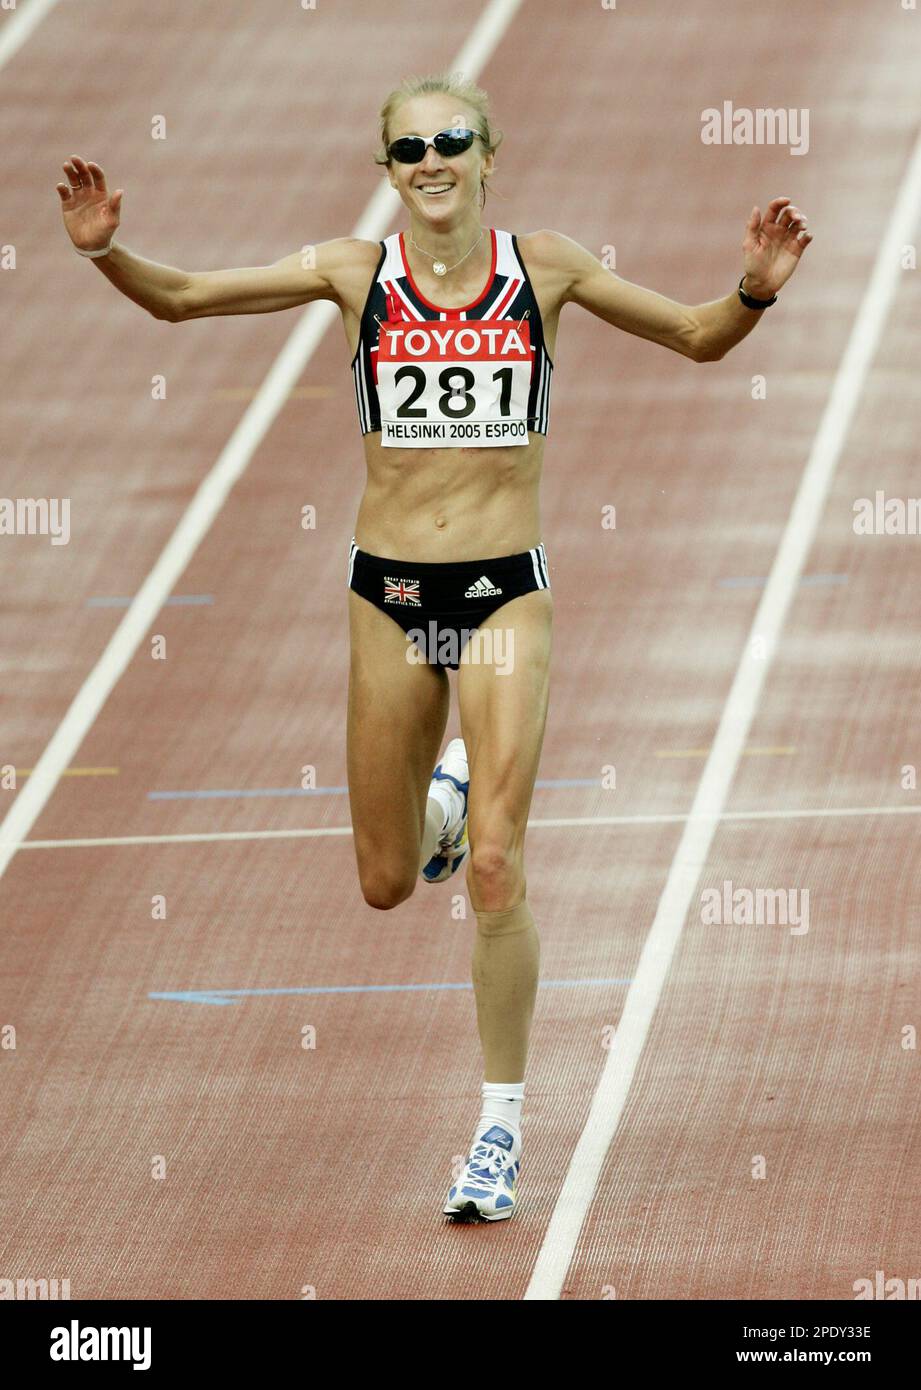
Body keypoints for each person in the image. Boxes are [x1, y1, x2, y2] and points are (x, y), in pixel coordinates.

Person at [56, 70, 812, 1224]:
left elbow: (700, 338)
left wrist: (750, 292)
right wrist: (109, 253)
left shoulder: (544, 267)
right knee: (383, 880)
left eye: (451, 140)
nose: (432, 162)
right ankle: (440, 817)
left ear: (489, 154)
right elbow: (187, 300)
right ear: (388, 169)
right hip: (387, 594)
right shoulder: (351, 275)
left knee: (502, 867)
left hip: (505, 591)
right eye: (410, 149)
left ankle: (498, 1130)